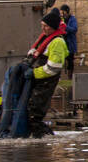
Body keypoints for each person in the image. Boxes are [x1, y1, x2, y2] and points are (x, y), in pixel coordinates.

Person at [23, 7, 69, 136]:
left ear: (53, 27)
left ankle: (45, 139)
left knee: (34, 115)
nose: (43, 28)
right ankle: (40, 139)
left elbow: (53, 68)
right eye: (42, 25)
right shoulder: (45, 38)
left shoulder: (57, 42)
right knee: (29, 113)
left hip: (45, 84)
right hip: (38, 82)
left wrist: (33, 73)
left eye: (46, 26)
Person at [59, 4, 78, 75]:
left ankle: (70, 75)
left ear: (66, 11)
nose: (61, 14)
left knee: (70, 59)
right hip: (62, 41)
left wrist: (66, 26)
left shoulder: (72, 19)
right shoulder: (61, 19)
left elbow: (74, 29)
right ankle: (61, 74)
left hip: (70, 42)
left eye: (62, 12)